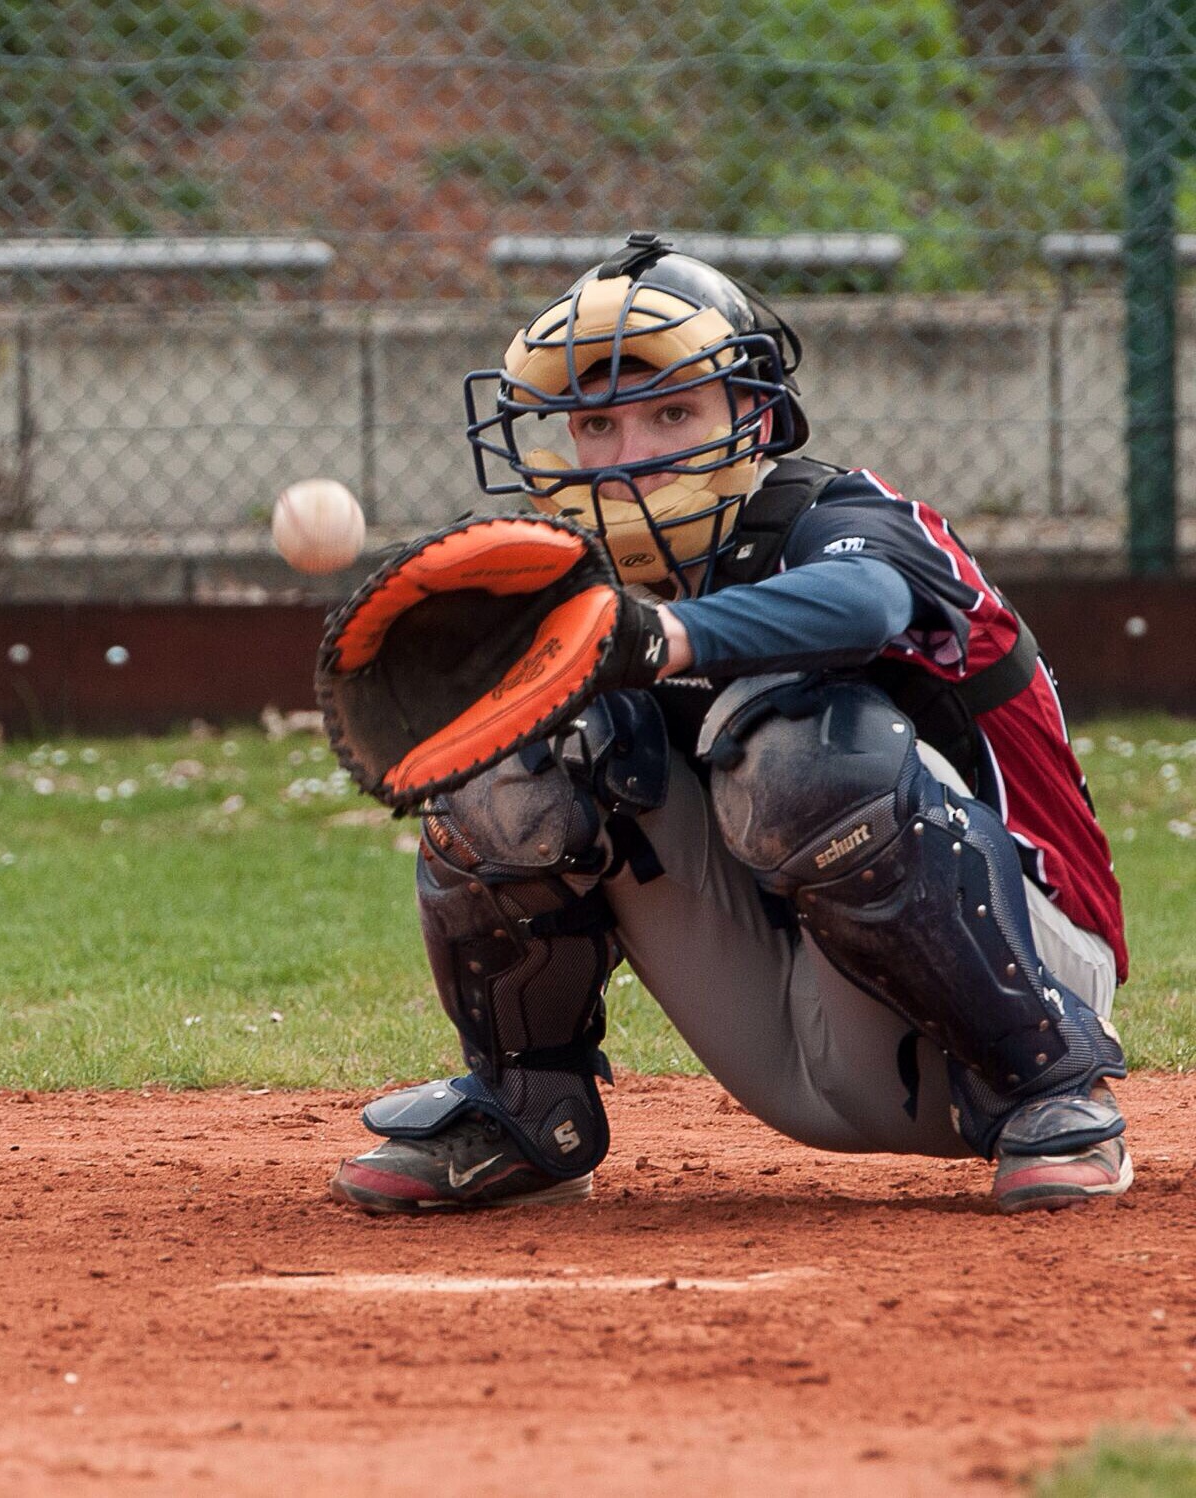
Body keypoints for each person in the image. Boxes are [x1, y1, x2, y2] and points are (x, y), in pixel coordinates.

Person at [329, 231, 1131, 1217]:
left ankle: (1053, 1095)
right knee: (518, 757)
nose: (628, 459)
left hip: (1031, 977)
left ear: (754, 418)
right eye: (598, 427)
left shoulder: (846, 516)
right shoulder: (584, 582)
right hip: (791, 1012)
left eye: (671, 413)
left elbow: (866, 605)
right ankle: (527, 1114)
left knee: (796, 739)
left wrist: (661, 637)